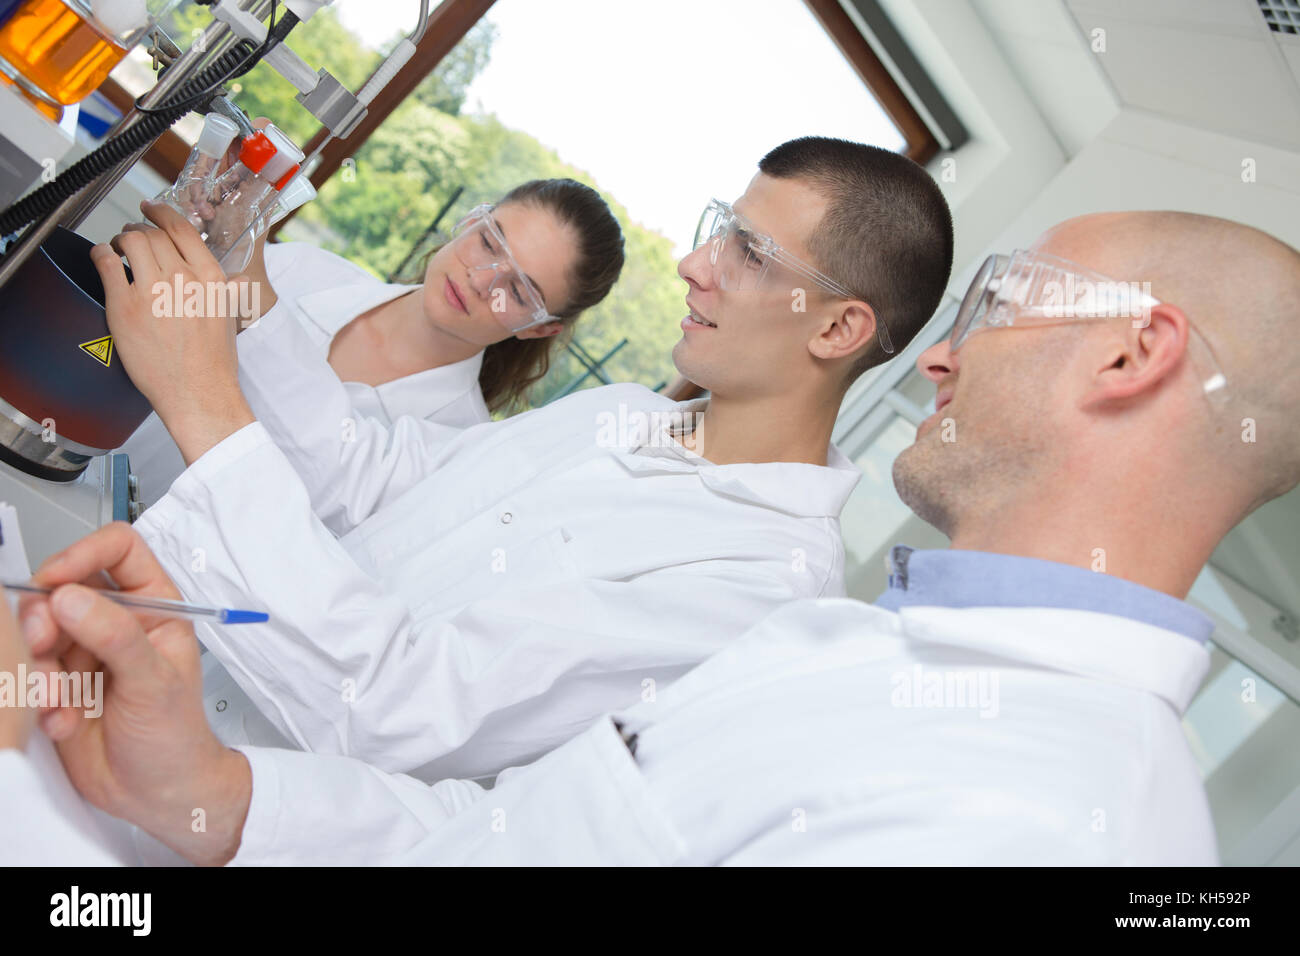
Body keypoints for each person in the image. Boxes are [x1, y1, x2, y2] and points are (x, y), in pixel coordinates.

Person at [15, 209, 1297, 864]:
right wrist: (215, 792)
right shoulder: (839, 641)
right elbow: (510, 844)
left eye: (999, 306)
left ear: (1133, 350)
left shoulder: (1055, 818)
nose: (947, 352)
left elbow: (403, 706)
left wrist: (203, 398)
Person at [59, 137, 953, 781]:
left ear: (839, 328)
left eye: (750, 254)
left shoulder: (761, 591)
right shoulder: (619, 414)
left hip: (219, 807)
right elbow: (369, 481)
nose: (691, 264)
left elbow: (397, 711)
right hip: (148, 694)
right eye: (720, 228)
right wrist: (240, 319)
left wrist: (206, 403)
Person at [119, 178, 626, 509]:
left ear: (538, 328)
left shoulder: (453, 447)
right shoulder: (306, 270)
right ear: (472, 220)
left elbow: (334, 488)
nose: (481, 279)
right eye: (490, 242)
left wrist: (247, 290)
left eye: (517, 290)